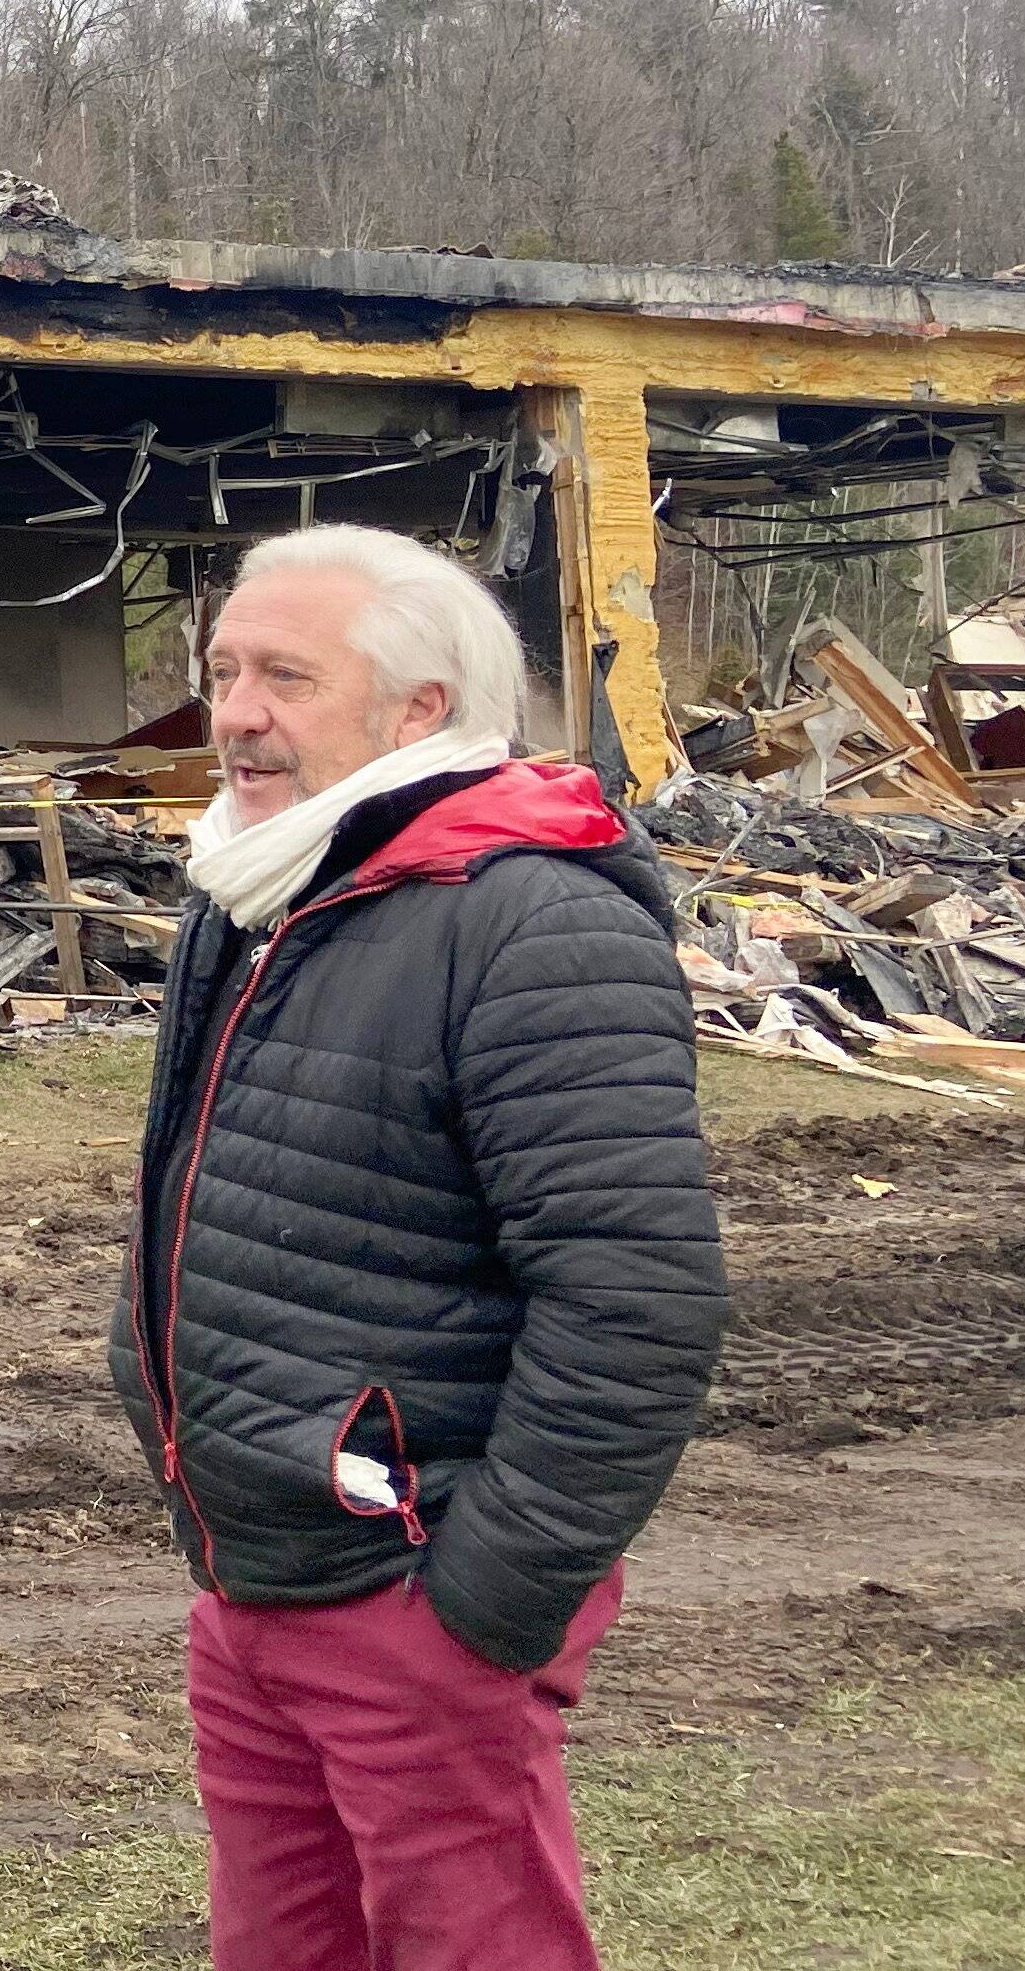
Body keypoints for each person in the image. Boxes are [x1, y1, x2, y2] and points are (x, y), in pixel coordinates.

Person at [109, 525, 727, 1971]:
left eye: (285, 677)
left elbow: (635, 1300)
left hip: (412, 1589)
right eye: (224, 672)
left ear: (418, 713)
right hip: (257, 1567)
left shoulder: (527, 920)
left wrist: (482, 1609)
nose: (237, 712)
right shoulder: (260, 892)